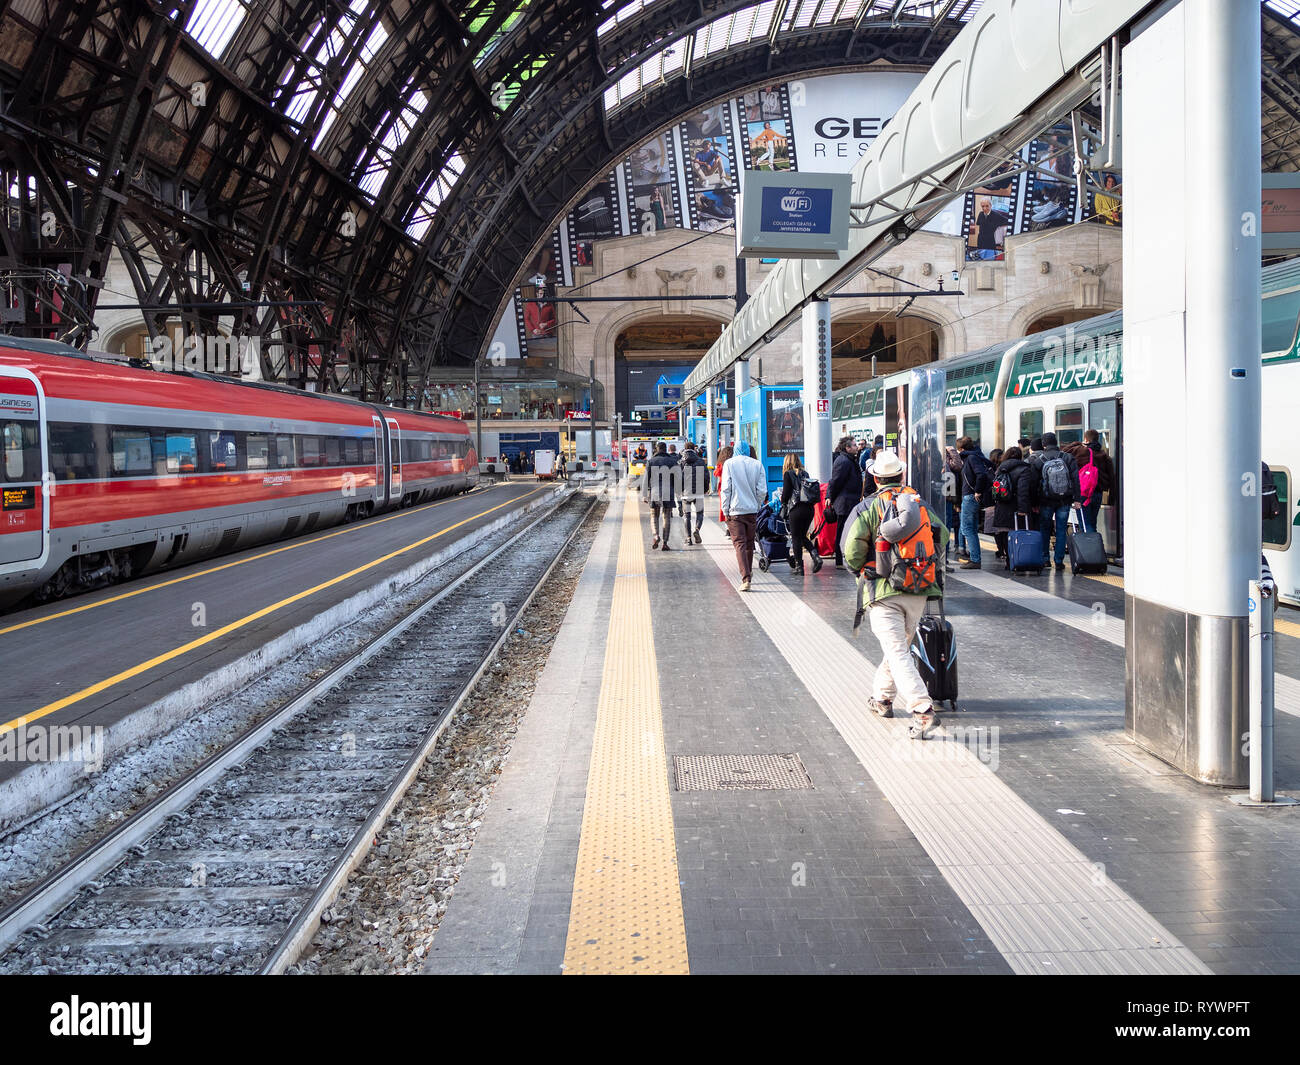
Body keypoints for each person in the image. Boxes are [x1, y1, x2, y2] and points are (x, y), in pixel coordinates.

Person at [843, 449, 950, 739]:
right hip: (918, 588)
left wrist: (861, 571)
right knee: (898, 650)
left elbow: (851, 550)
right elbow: (944, 535)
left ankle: (922, 710)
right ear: (901, 475)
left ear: (875, 478)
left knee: (897, 651)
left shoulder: (867, 508)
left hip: (882, 590)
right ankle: (882, 699)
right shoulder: (919, 505)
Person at [1029, 431, 1080, 571]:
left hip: (1046, 500)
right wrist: (1077, 499)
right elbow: (1075, 479)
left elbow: (1033, 483)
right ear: (1056, 443)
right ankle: (1059, 561)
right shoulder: (1067, 457)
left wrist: (1034, 503)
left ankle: (1045, 559)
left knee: (1044, 529)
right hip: (1065, 499)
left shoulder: (1039, 460)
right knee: (1061, 530)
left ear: (1043, 445)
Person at [720, 441, 766, 590]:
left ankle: (745, 578)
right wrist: (757, 505)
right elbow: (762, 490)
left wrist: (725, 509)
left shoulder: (729, 464)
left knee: (739, 543)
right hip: (751, 510)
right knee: (749, 543)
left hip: (735, 510)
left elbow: (726, 488)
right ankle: (749, 572)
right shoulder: (757, 464)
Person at [991, 446, 1036, 562]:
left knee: (1005, 534)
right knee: (1019, 533)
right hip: (1016, 506)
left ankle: (1008, 560)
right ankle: (1018, 559)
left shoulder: (1001, 468)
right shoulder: (1024, 469)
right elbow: (1023, 491)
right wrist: (1023, 509)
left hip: (1002, 505)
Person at [781, 454, 822, 575]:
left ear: (787, 462)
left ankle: (799, 568)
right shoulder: (805, 474)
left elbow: (786, 494)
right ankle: (816, 556)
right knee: (803, 536)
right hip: (809, 509)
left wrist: (782, 502)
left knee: (796, 538)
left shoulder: (788, 474)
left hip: (796, 509)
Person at [957, 435, 992, 569]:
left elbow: (981, 474)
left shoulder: (971, 458)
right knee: (970, 528)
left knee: (967, 528)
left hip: (970, 496)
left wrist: (977, 491)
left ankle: (975, 559)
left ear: (961, 448)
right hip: (971, 496)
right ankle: (974, 558)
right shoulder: (974, 456)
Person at [828, 436, 863, 568]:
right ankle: (839, 560)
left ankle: (843, 558)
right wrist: (830, 497)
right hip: (845, 503)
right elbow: (835, 481)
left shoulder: (849, 460)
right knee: (842, 531)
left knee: (846, 530)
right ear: (847, 448)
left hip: (849, 502)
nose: (856, 447)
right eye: (854, 445)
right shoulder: (843, 461)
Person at [641, 442, 680, 550]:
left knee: (654, 515)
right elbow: (678, 478)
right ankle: (665, 543)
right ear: (666, 449)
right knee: (666, 517)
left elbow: (645, 480)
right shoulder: (672, 461)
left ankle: (656, 535)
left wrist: (644, 495)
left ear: (656, 450)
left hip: (655, 492)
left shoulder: (651, 461)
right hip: (669, 492)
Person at [1080, 428, 1115, 533]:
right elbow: (1111, 478)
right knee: (1092, 522)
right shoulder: (1105, 456)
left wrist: (1081, 444)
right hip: (1098, 494)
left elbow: (1067, 449)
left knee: (1085, 524)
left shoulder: (1083, 453)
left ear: (1086, 439)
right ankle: (1096, 547)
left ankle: (1091, 548)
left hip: (1085, 494)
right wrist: (1111, 499)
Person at [679, 442, 709, 545]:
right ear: (694, 449)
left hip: (686, 493)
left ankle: (688, 538)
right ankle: (696, 529)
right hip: (699, 491)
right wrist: (705, 489)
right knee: (699, 513)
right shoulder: (700, 461)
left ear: (685, 449)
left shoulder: (681, 462)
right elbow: (706, 477)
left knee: (687, 515)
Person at [715, 444, 733, 530]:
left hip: (722, 487)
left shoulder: (721, 463)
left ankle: (727, 528)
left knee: (724, 506)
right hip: (732, 486)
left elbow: (716, 473)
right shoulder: (733, 463)